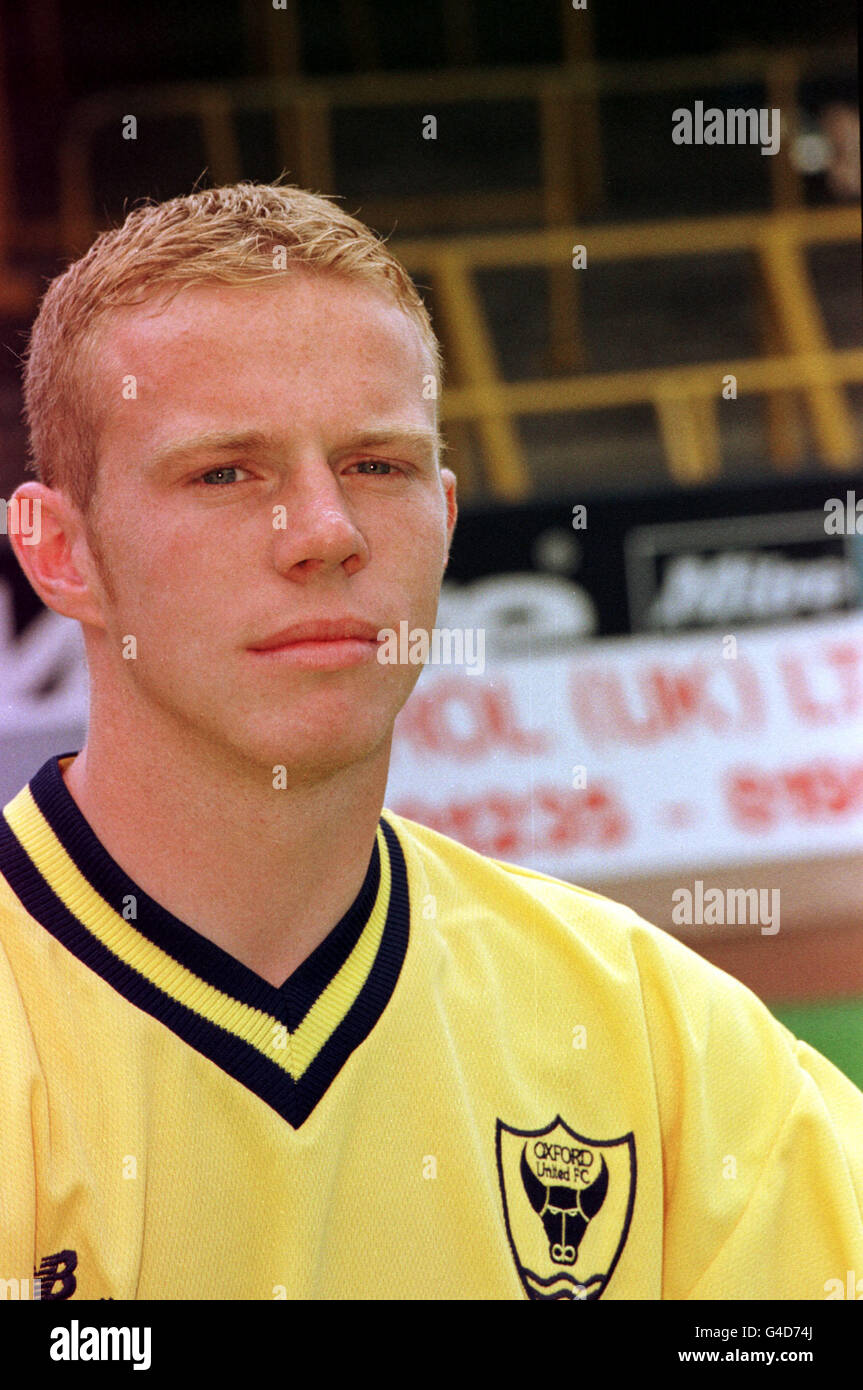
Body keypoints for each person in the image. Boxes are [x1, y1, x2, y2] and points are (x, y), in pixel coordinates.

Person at [2, 181, 861, 1301]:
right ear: (60, 553)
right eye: (225, 471)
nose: (324, 531)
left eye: (377, 465)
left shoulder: (657, 1037)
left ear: (445, 520)